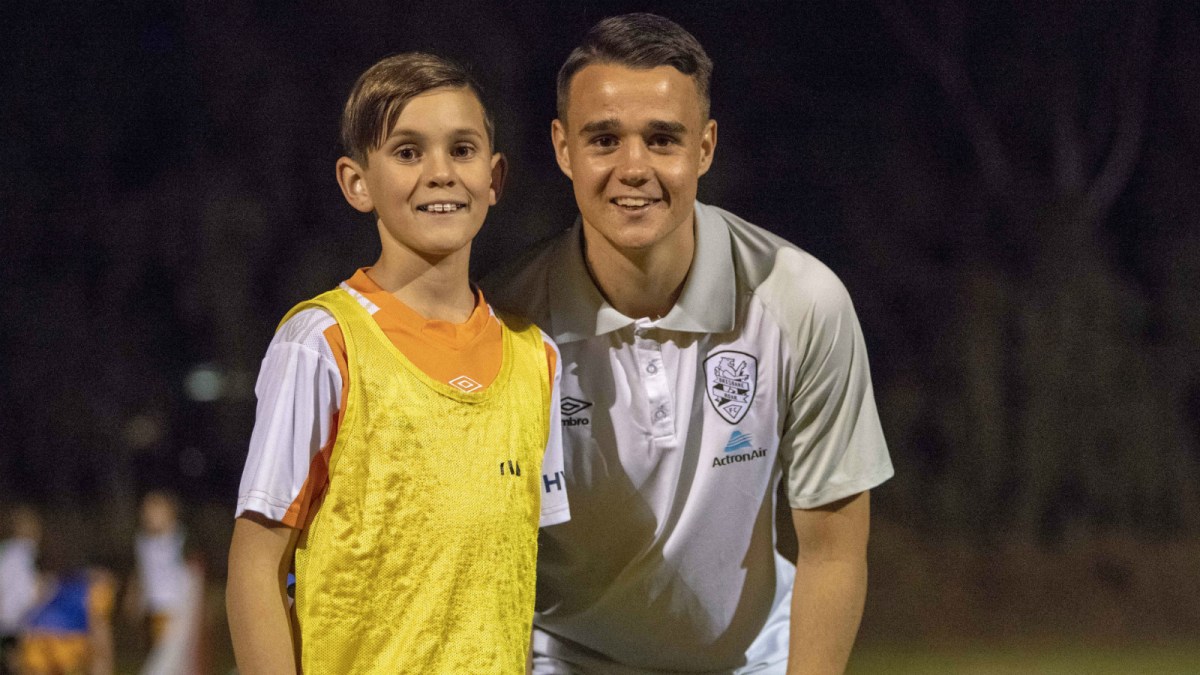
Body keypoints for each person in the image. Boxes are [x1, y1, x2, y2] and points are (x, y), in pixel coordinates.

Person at [483, 13, 893, 674]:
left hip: (751, 657)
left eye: (663, 138)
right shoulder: (503, 324)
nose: (633, 166)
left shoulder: (802, 301)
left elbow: (834, 550)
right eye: (605, 138)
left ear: (704, 148)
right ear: (563, 148)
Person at [226, 52, 570, 674]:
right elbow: (254, 567)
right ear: (357, 183)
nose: (440, 172)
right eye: (409, 152)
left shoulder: (537, 359)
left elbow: (513, 578)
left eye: (461, 150)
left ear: (494, 178)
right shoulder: (323, 342)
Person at [0, 506, 41, 675]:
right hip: (20, 615)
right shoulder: (24, 550)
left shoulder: (6, 551)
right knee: (23, 662)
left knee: (13, 660)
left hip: (8, 616)